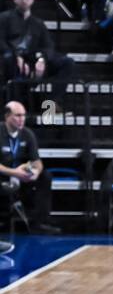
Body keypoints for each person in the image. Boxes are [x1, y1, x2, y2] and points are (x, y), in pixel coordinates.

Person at [0, 100, 58, 234]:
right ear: (7, 116)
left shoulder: (27, 134)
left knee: (45, 177)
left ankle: (40, 222)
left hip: (21, 175)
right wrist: (14, 172)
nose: (22, 119)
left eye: (23, 115)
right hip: (4, 173)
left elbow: (37, 161)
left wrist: (35, 172)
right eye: (18, 115)